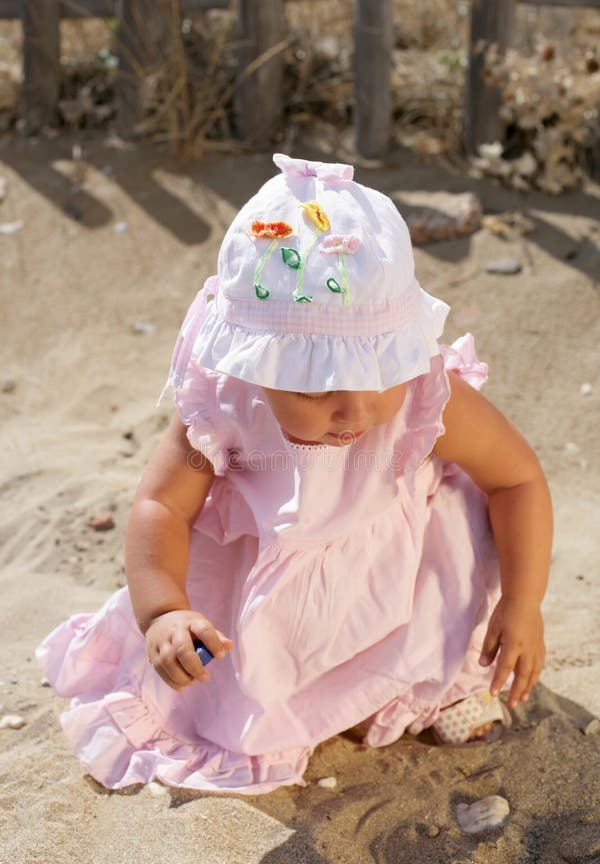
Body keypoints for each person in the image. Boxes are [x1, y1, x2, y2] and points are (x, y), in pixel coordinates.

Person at [37, 154, 552, 794]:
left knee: (455, 574)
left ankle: (416, 692)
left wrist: (524, 601)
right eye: (317, 388)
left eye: (379, 373)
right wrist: (164, 611)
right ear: (256, 362)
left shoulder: (425, 391)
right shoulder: (227, 401)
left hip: (402, 581)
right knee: (229, 703)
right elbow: (161, 508)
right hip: (266, 604)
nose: (356, 411)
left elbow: (517, 479)